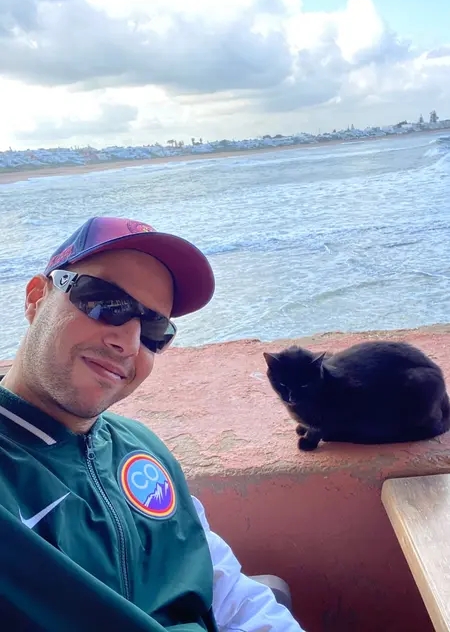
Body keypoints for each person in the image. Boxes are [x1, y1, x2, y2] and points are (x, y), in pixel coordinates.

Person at [0, 216, 305, 631]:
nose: (128, 343)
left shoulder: (142, 448)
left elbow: (228, 590)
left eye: (154, 329)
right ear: (37, 298)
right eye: (105, 302)